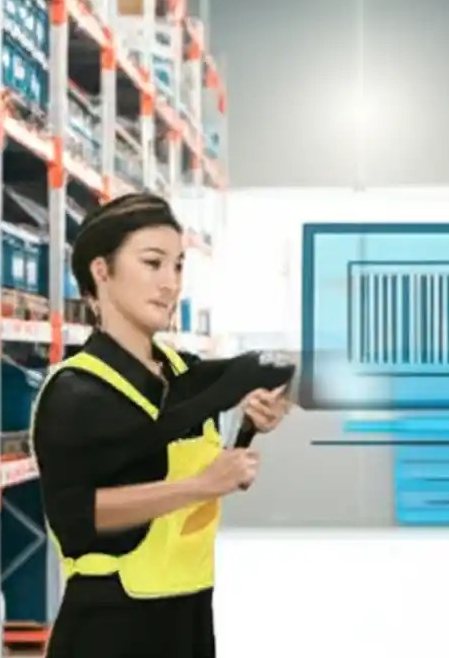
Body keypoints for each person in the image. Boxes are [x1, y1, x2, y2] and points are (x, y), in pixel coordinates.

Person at [32, 191, 292, 658]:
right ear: (101, 271)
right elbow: (75, 516)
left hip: (189, 613)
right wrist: (201, 486)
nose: (170, 284)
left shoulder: (178, 371)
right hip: (111, 626)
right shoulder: (75, 392)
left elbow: (260, 368)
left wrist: (269, 404)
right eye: (152, 263)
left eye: (178, 266)